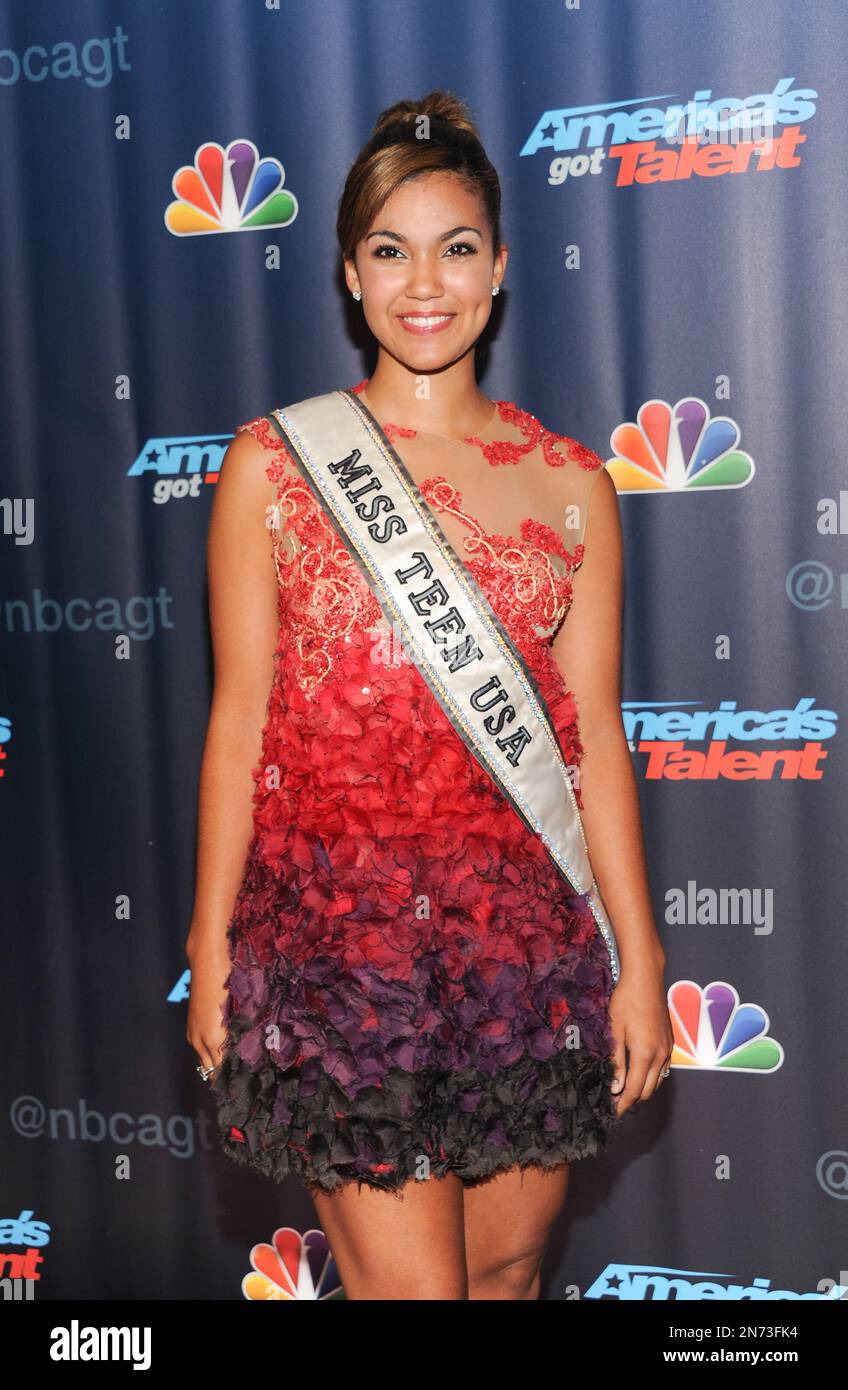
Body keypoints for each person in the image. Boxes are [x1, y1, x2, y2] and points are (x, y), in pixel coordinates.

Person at [186, 88, 673, 1301]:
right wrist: (208, 940)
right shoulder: (272, 464)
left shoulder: (570, 485)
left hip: (525, 961)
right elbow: (239, 716)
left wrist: (640, 957)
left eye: (455, 249)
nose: (423, 283)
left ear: (499, 268)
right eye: (389, 251)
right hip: (339, 958)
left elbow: (594, 743)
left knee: (504, 1278)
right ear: (349, 274)